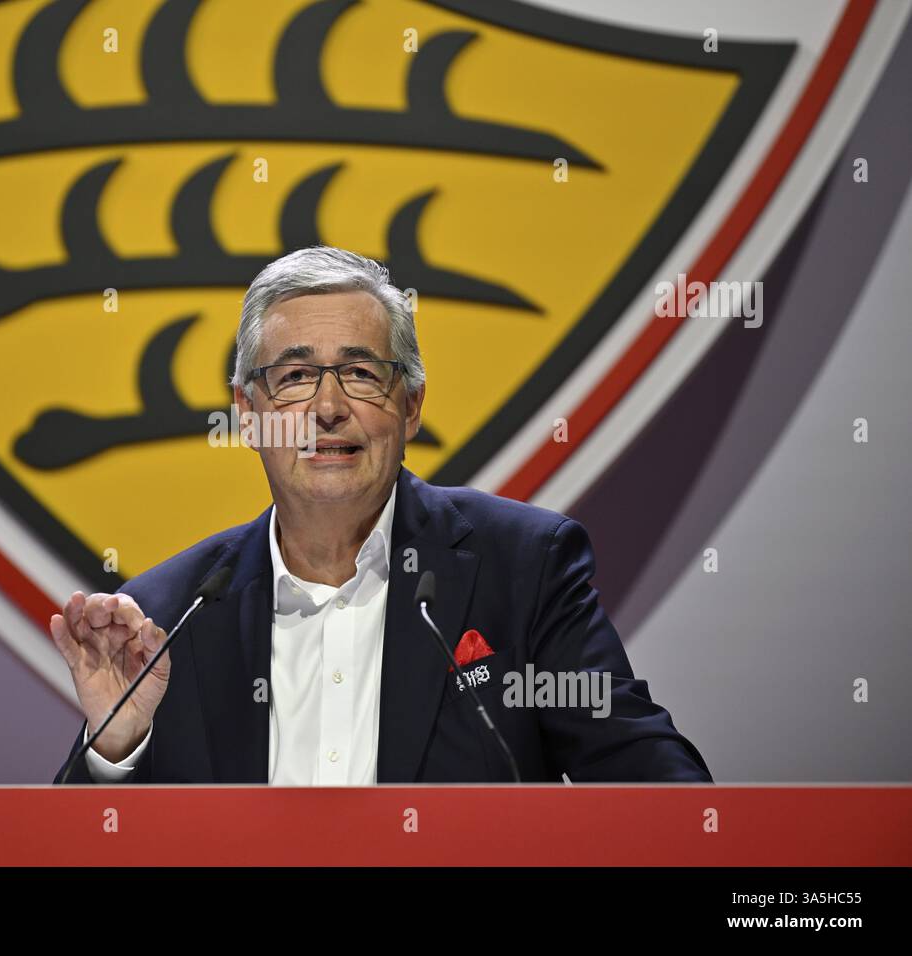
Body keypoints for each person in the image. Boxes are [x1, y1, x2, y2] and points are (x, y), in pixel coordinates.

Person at [50, 246, 711, 784]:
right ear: (247, 416)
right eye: (294, 378)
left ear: (412, 406)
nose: (329, 408)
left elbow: (663, 797)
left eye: (362, 374)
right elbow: (67, 859)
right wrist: (116, 749)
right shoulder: (170, 612)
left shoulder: (523, 569)